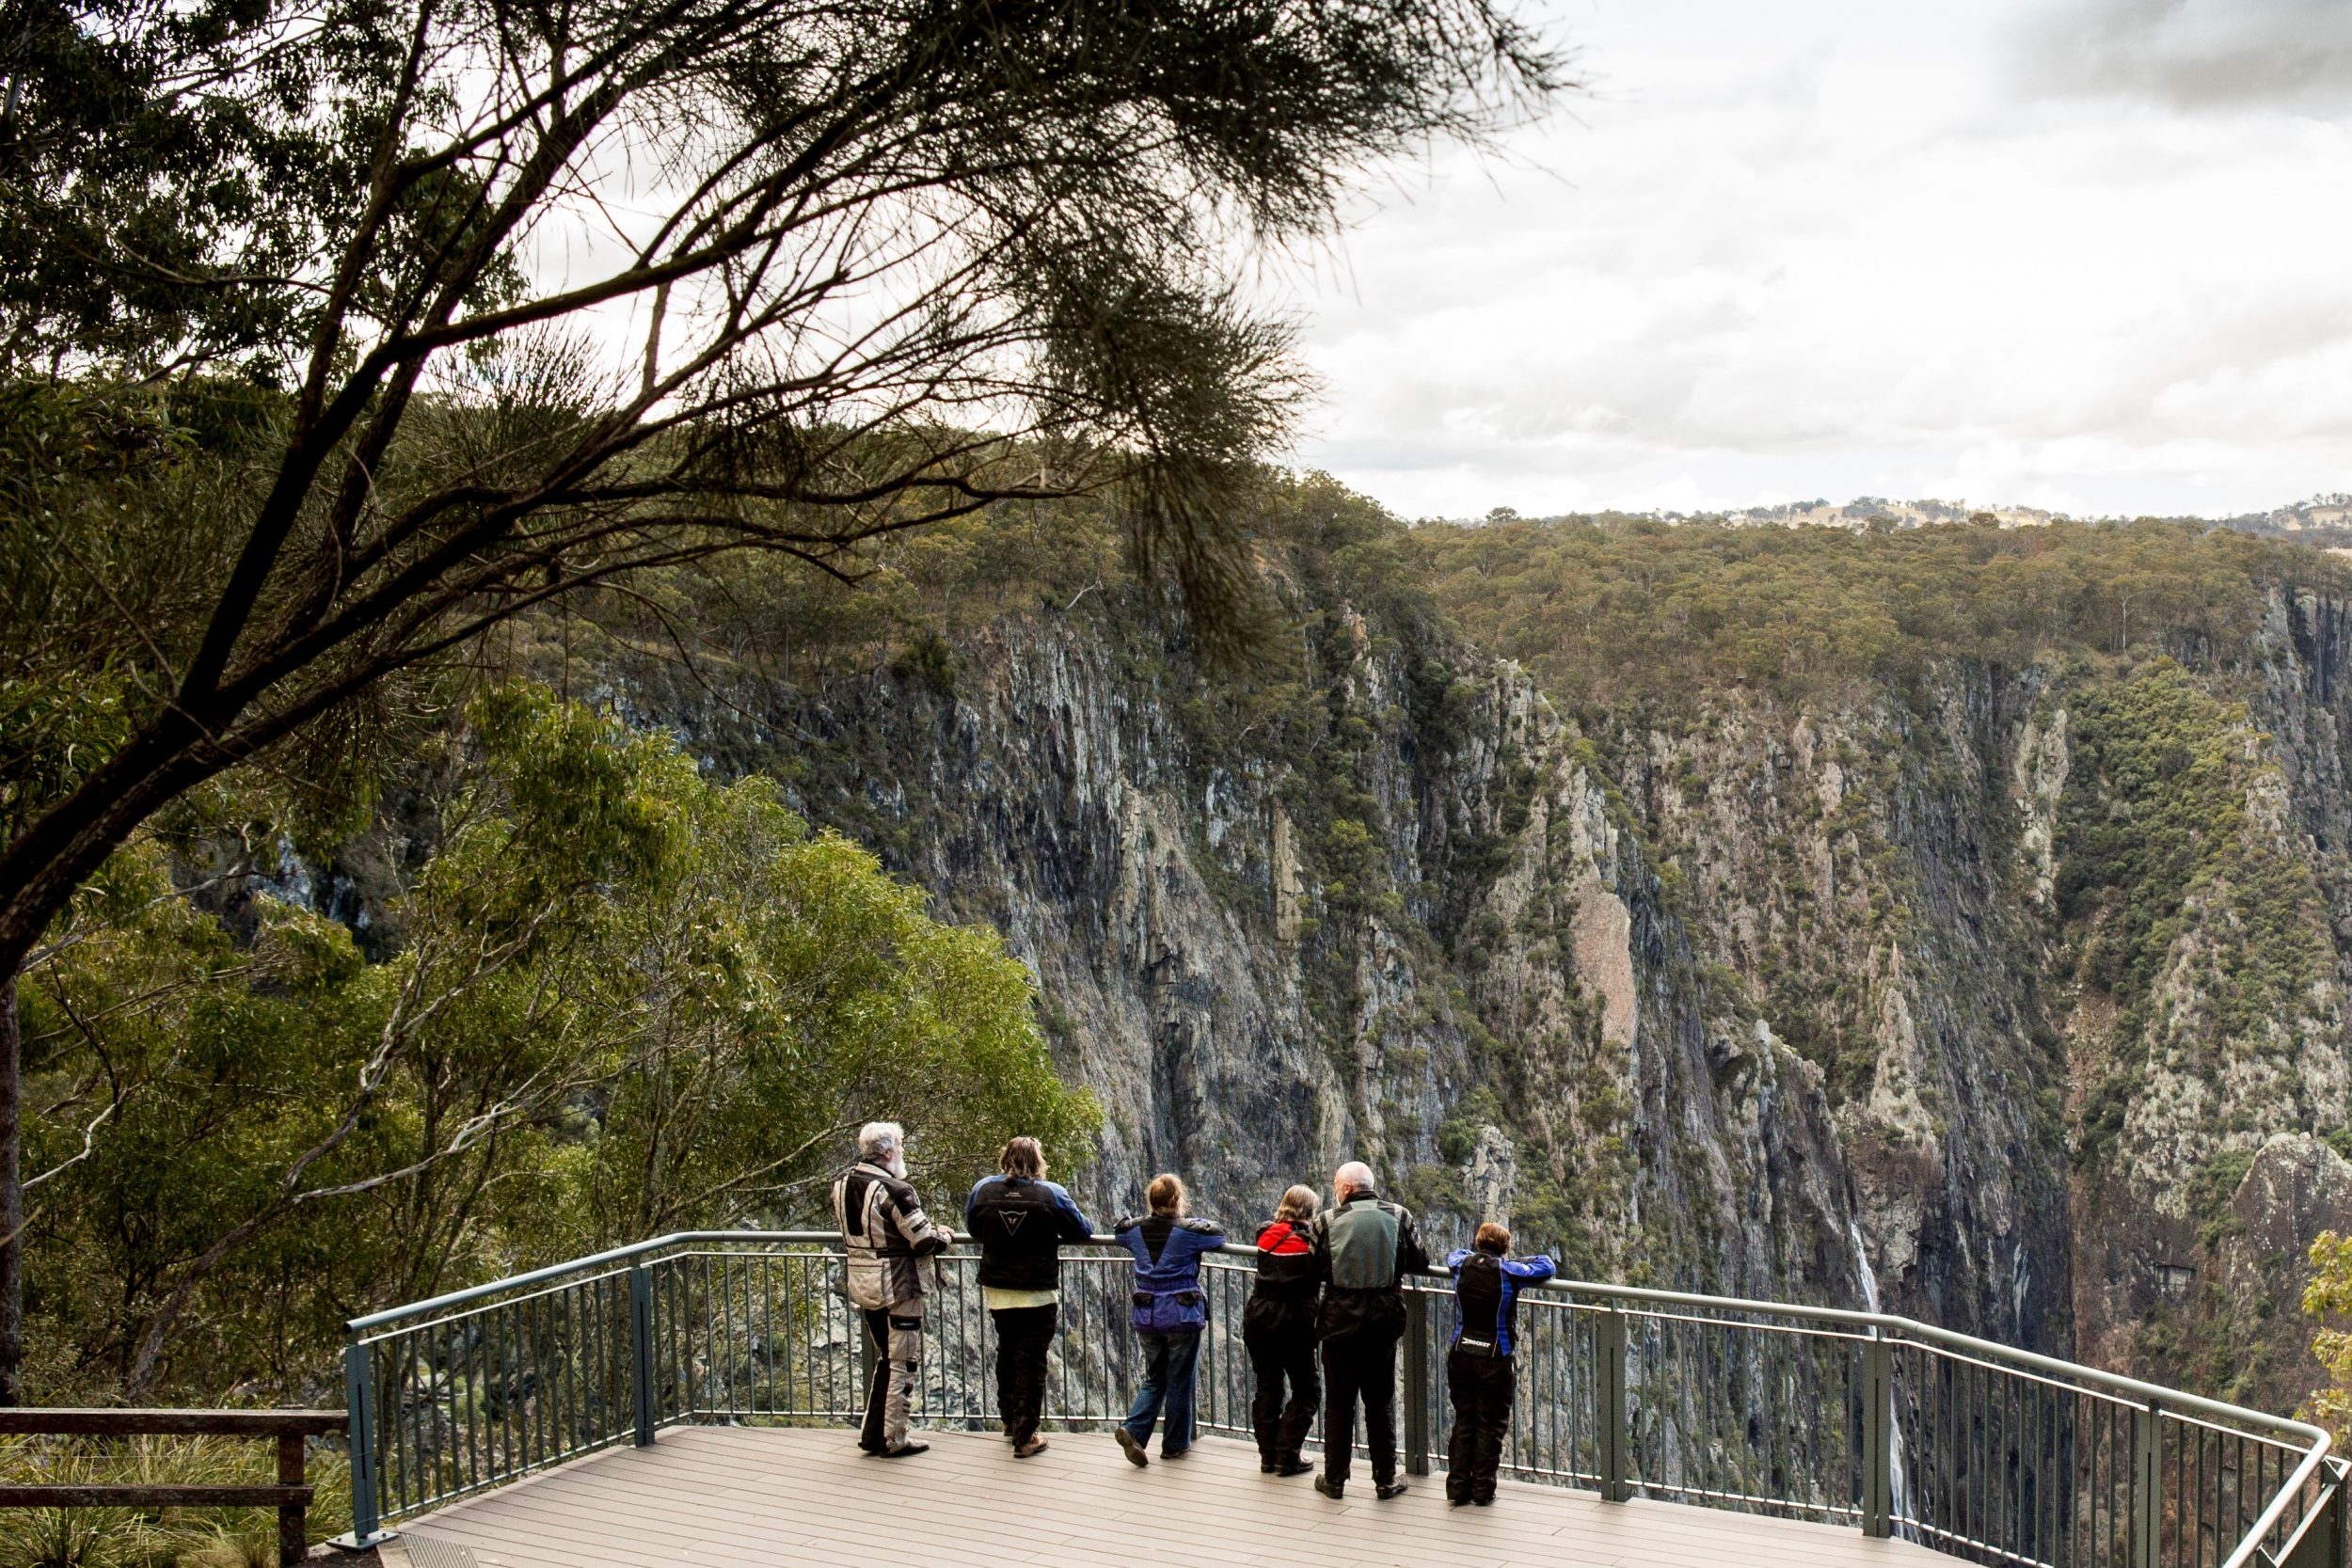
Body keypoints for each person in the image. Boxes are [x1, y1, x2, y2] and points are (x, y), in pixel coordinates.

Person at [965, 1136, 1095, 1458]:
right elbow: (1082, 1230)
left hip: (999, 1289)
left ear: (1004, 1158)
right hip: (1037, 1291)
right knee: (1032, 1361)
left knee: (1007, 1352)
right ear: (1037, 1161)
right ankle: (1025, 1436)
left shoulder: (983, 1189)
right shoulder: (1051, 1193)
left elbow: (973, 1227)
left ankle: (1010, 1420)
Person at [832, 1121, 953, 1458]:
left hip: (862, 1280)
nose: (902, 1151)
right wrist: (945, 1234)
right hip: (898, 1284)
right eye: (899, 1146)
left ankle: (873, 1434)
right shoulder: (895, 1190)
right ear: (887, 1152)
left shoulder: (842, 1184)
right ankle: (894, 1438)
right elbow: (923, 1240)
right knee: (902, 1361)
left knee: (887, 1357)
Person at [1311, 1159, 1428, 1502]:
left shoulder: (1326, 1222)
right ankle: (1386, 1479)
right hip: (1381, 1323)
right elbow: (1420, 1260)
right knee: (1379, 1403)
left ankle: (1334, 1479)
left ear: (1346, 1189)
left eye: (1336, 1186)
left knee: (1339, 1404)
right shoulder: (1399, 1216)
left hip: (1338, 1325)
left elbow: (1311, 1267)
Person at [1111, 1173, 1224, 1466]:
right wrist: (1198, 1221)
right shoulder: (1188, 1232)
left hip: (1147, 1314)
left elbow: (1120, 1232)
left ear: (1151, 1200)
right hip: (1181, 1314)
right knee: (1179, 1379)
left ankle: (1134, 1429)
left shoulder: (1135, 1232)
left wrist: (1128, 1219)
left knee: (1155, 1377)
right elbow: (1218, 1235)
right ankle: (1174, 1444)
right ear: (1178, 1200)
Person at [1442, 1222, 1557, 1506]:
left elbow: (1453, 1254)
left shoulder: (1460, 1265)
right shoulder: (1509, 1272)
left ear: (1479, 1242)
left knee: (1464, 1419)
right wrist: (1513, 1260)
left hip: (1461, 1352)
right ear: (1504, 1248)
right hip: (1495, 1356)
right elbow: (1547, 1266)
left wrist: (1480, 1255)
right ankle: (1482, 1490)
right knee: (1490, 1425)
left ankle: (1457, 1487)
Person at [1244, 1183, 1323, 1477]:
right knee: (1307, 1389)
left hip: (1259, 1316)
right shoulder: (1309, 1244)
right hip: (1294, 1321)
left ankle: (1268, 1455)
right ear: (1309, 1212)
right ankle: (1287, 1453)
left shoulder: (1266, 1234)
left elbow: (1269, 1227)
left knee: (1268, 1386)